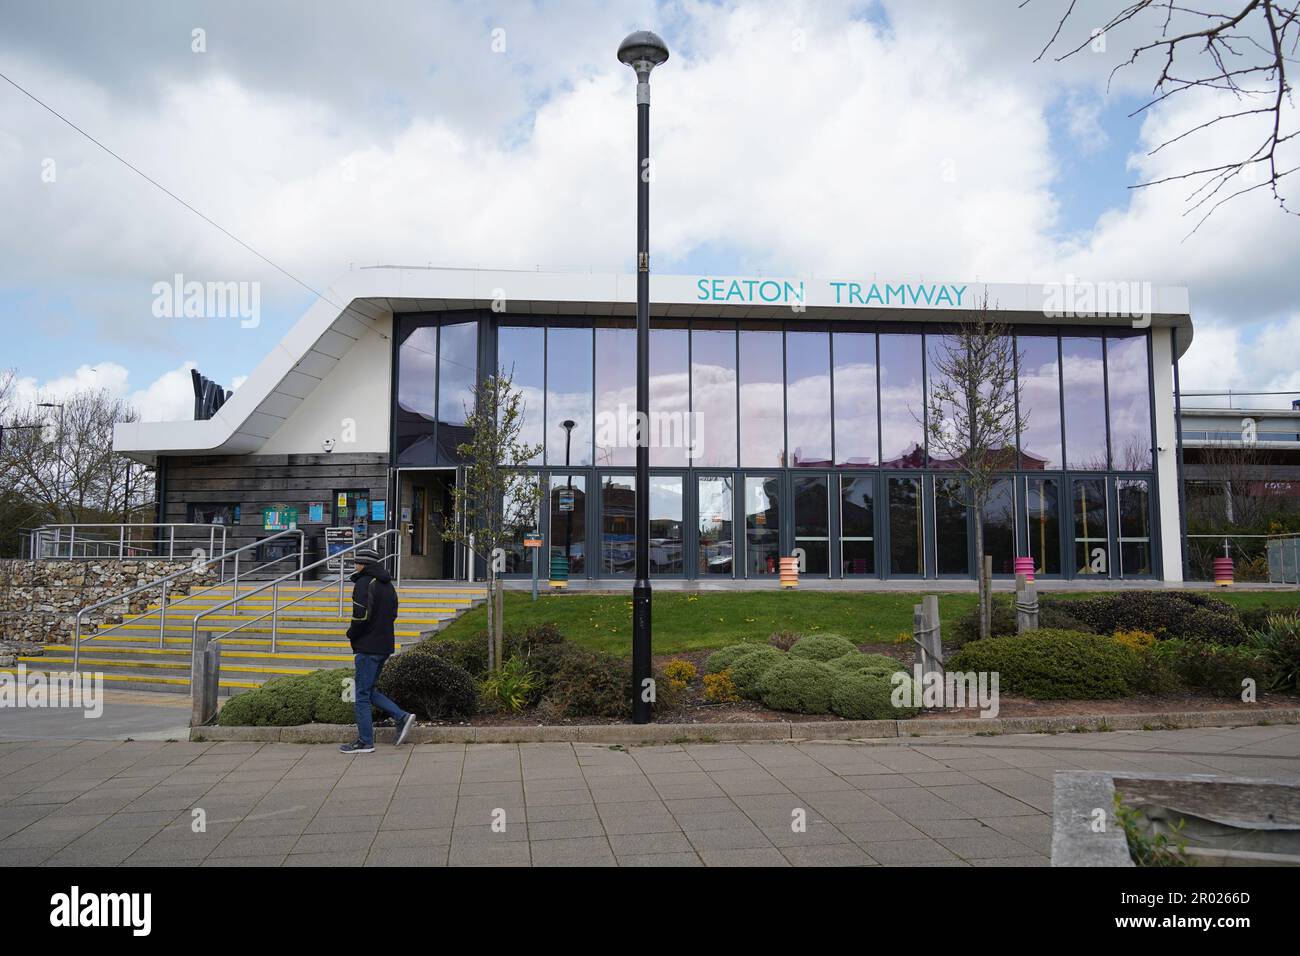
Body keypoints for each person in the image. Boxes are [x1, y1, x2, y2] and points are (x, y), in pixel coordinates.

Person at [339, 547, 415, 754]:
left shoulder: (364, 583)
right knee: (368, 690)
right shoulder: (387, 585)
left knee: (361, 695)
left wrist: (352, 634)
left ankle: (365, 741)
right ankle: (402, 717)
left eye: (357, 562)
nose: (355, 565)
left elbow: (360, 616)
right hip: (384, 645)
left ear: (363, 564)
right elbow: (393, 614)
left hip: (367, 646)